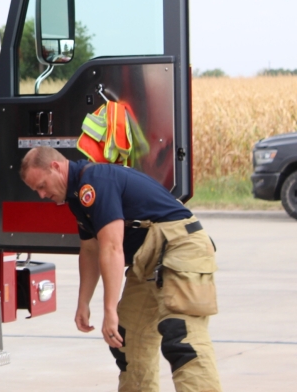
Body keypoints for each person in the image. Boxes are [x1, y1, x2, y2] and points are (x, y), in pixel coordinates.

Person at [20, 146, 222, 392]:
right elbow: (90, 251)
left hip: (182, 247)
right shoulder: (76, 196)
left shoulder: (93, 183)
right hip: (149, 258)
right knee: (127, 341)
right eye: (36, 191)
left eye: (42, 186)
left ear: (56, 167)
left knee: (181, 336)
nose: (41, 195)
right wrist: (83, 303)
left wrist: (109, 310)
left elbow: (112, 248)